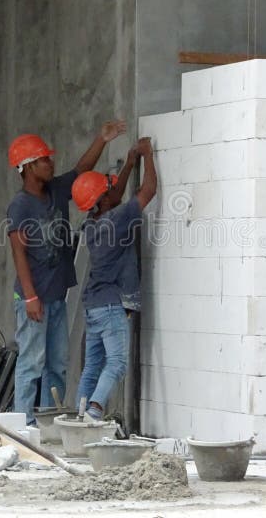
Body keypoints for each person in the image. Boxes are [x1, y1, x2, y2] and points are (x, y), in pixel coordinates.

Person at [6, 120, 126, 426]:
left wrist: (102, 139)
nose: (50, 163)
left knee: (57, 365)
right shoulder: (20, 205)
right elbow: (18, 252)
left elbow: (80, 170)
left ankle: (48, 423)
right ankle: (23, 426)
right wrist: (31, 296)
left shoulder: (57, 191)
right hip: (34, 299)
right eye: (44, 159)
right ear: (29, 167)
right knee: (32, 364)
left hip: (57, 295)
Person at [71, 137, 157, 421]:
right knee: (117, 363)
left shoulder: (93, 223)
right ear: (102, 200)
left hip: (94, 306)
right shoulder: (117, 219)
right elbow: (148, 190)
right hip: (111, 306)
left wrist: (130, 163)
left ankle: (79, 417)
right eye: (107, 188)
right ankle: (95, 411)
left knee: (92, 366)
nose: (113, 189)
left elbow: (112, 195)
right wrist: (147, 155)